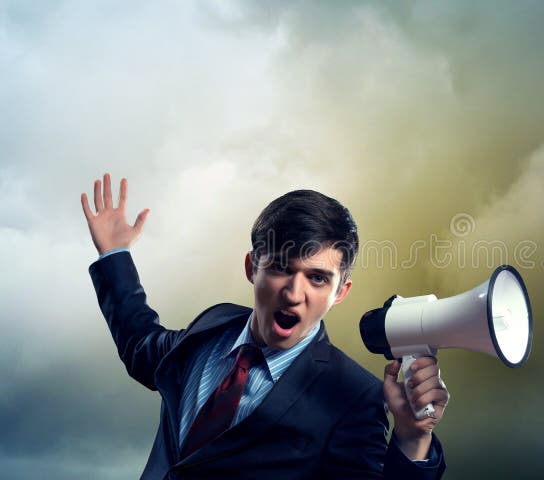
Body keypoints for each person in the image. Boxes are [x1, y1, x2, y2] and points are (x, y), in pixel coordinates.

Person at [81, 173, 449, 480]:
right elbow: (141, 346)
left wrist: (413, 440)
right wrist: (115, 254)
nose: (293, 293)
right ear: (251, 267)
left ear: (340, 292)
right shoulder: (210, 330)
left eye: (317, 278)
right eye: (279, 268)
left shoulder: (353, 397)